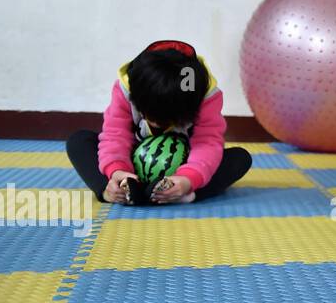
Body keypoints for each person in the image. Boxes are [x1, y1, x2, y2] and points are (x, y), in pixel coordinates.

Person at [65, 40, 252, 205]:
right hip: (132, 169)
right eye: (150, 116)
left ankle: (183, 193)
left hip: (182, 170)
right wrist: (117, 171)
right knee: (79, 141)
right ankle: (111, 191)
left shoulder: (205, 95)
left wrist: (188, 180)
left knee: (239, 158)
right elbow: (115, 136)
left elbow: (207, 142)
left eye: (166, 120)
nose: (155, 124)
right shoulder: (126, 89)